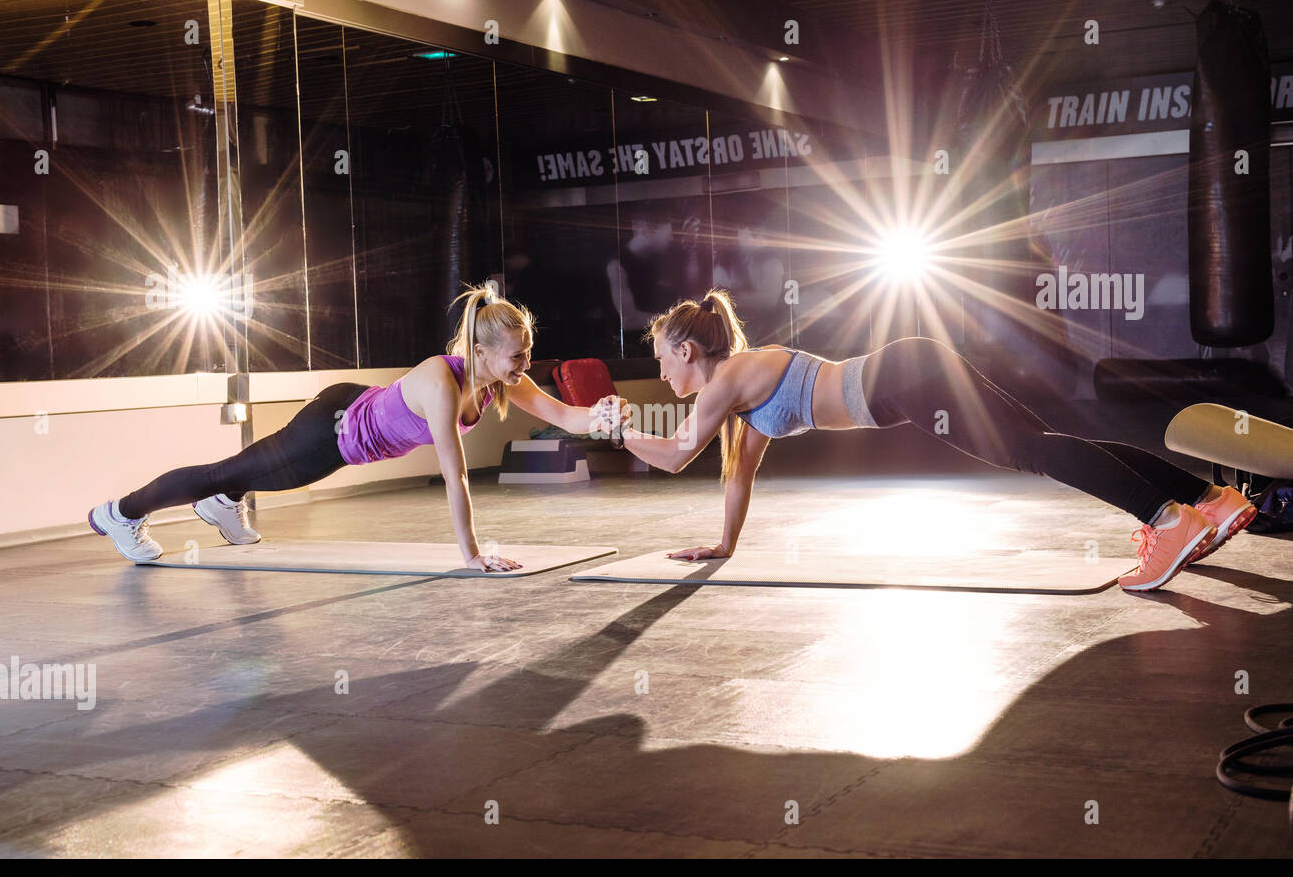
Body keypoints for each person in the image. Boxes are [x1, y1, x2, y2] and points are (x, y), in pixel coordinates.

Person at [614, 289, 1257, 592]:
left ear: (687, 349)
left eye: (662, 360)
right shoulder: (740, 398)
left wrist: (618, 428)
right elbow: (738, 473)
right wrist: (726, 543)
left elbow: (675, 455)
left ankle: (1165, 518)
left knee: (1030, 451)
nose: (661, 372)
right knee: (1041, 441)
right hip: (906, 374)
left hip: (901, 379)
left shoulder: (726, 379)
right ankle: (1208, 497)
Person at [88, 283, 624, 573]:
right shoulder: (443, 382)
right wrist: (472, 554)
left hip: (349, 411)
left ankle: (225, 503)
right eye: (517, 356)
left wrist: (600, 415)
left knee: (248, 472)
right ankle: (118, 514)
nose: (524, 364)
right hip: (330, 433)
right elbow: (455, 478)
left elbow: (564, 415)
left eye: (528, 353)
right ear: (480, 350)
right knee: (226, 470)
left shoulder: (499, 380)